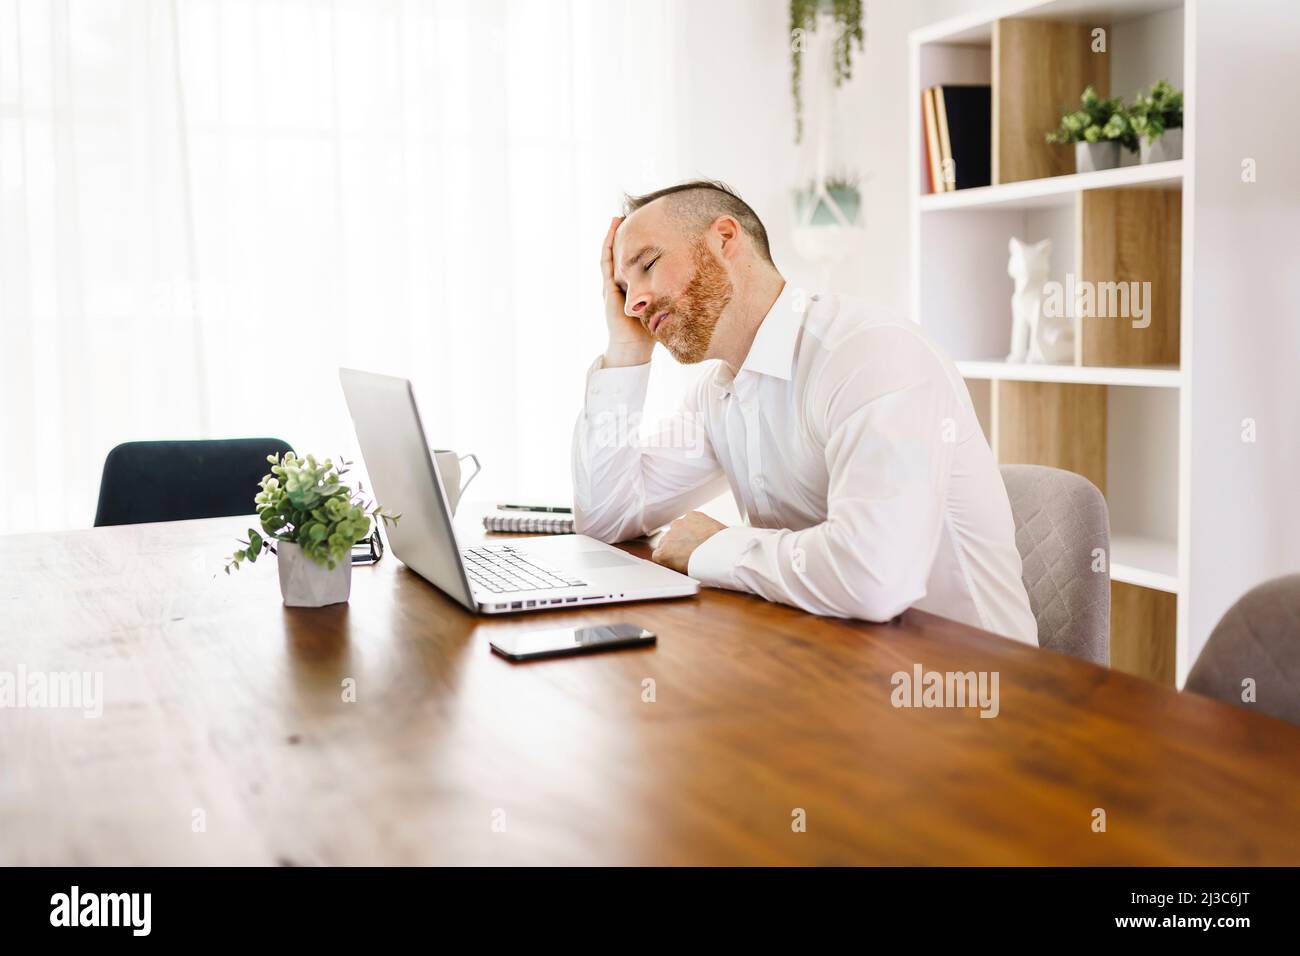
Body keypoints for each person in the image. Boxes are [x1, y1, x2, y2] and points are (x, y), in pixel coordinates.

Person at [571, 179, 1037, 644]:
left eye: (648, 265)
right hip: (832, 663)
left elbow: (875, 577)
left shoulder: (868, 353)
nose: (634, 303)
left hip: (971, 686)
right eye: (623, 289)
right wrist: (625, 349)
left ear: (725, 239)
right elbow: (607, 519)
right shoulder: (718, 394)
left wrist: (717, 547)